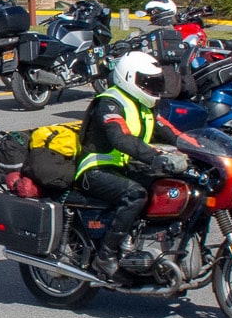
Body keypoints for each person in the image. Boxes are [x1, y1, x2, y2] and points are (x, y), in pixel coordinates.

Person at [75, 50, 190, 276]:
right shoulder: (109, 103)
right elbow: (121, 138)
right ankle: (105, 256)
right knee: (135, 194)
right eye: (148, 83)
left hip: (124, 168)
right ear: (128, 78)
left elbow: (171, 132)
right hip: (95, 170)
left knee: (170, 186)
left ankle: (147, 245)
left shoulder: (144, 106)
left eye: (156, 82)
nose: (154, 88)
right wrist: (156, 157)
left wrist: (199, 149)